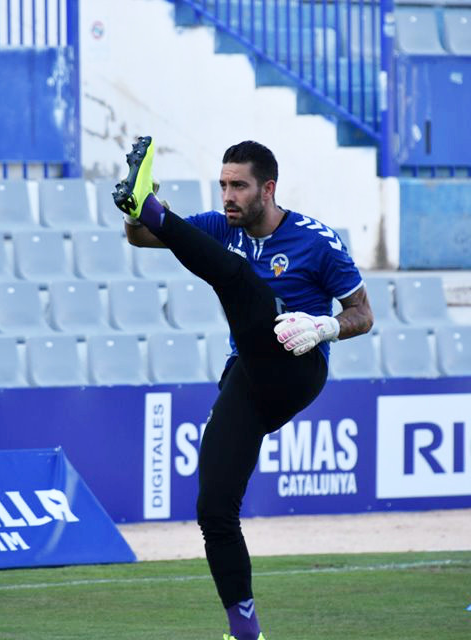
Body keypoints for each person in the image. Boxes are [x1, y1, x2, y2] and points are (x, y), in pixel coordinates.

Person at [113, 136, 374, 640]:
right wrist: (133, 213)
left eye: (238, 186)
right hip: (248, 375)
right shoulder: (219, 227)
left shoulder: (318, 241)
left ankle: (148, 200)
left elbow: (364, 313)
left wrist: (326, 328)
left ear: (267, 189)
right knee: (213, 507)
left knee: (234, 276)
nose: (227, 196)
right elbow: (141, 239)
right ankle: (245, 630)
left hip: (297, 365)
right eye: (222, 185)